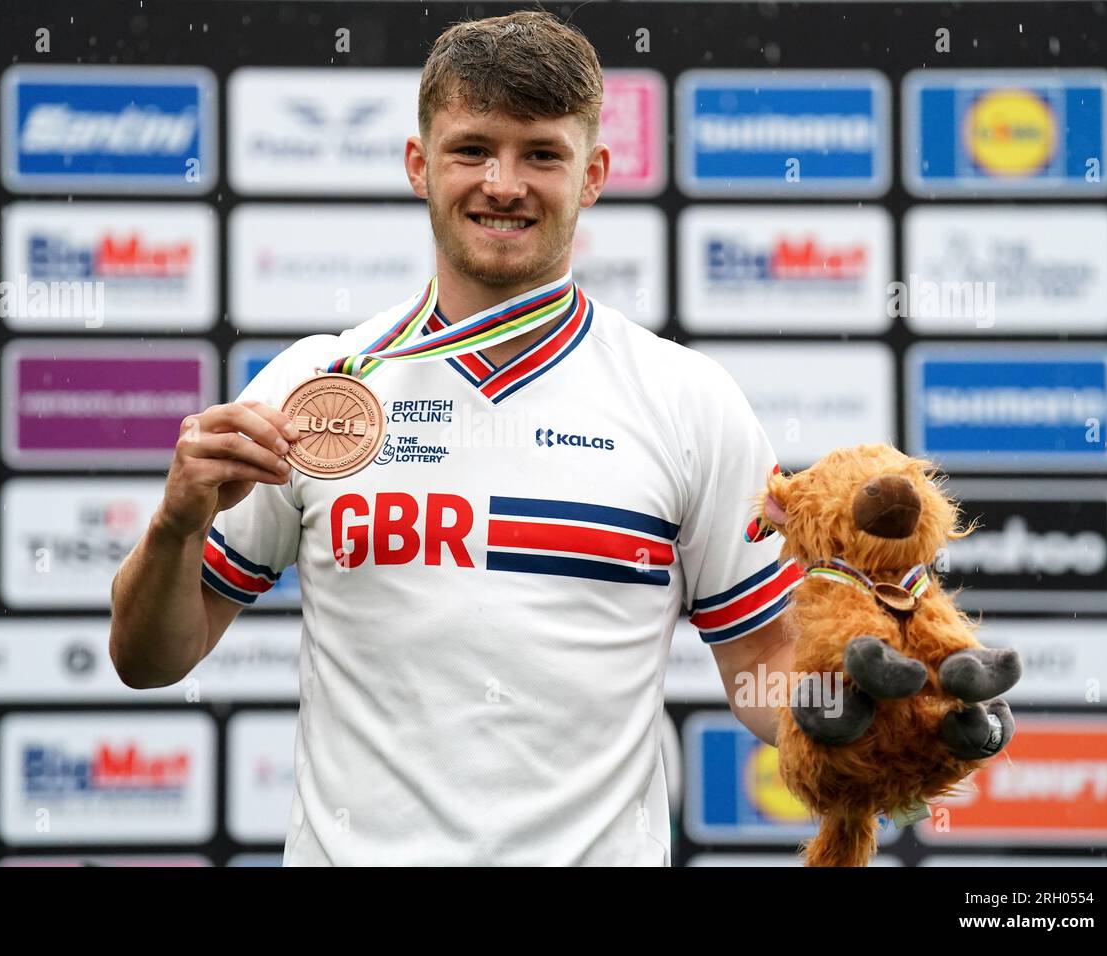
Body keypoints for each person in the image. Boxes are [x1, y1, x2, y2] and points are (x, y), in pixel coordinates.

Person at [110, 9, 801, 866]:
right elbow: (149, 661)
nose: (503, 185)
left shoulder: (687, 400)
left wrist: (882, 718)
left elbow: (768, 667)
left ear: (592, 175)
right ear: (419, 165)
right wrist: (174, 528)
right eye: (472, 149)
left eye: (541, 155)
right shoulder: (315, 387)